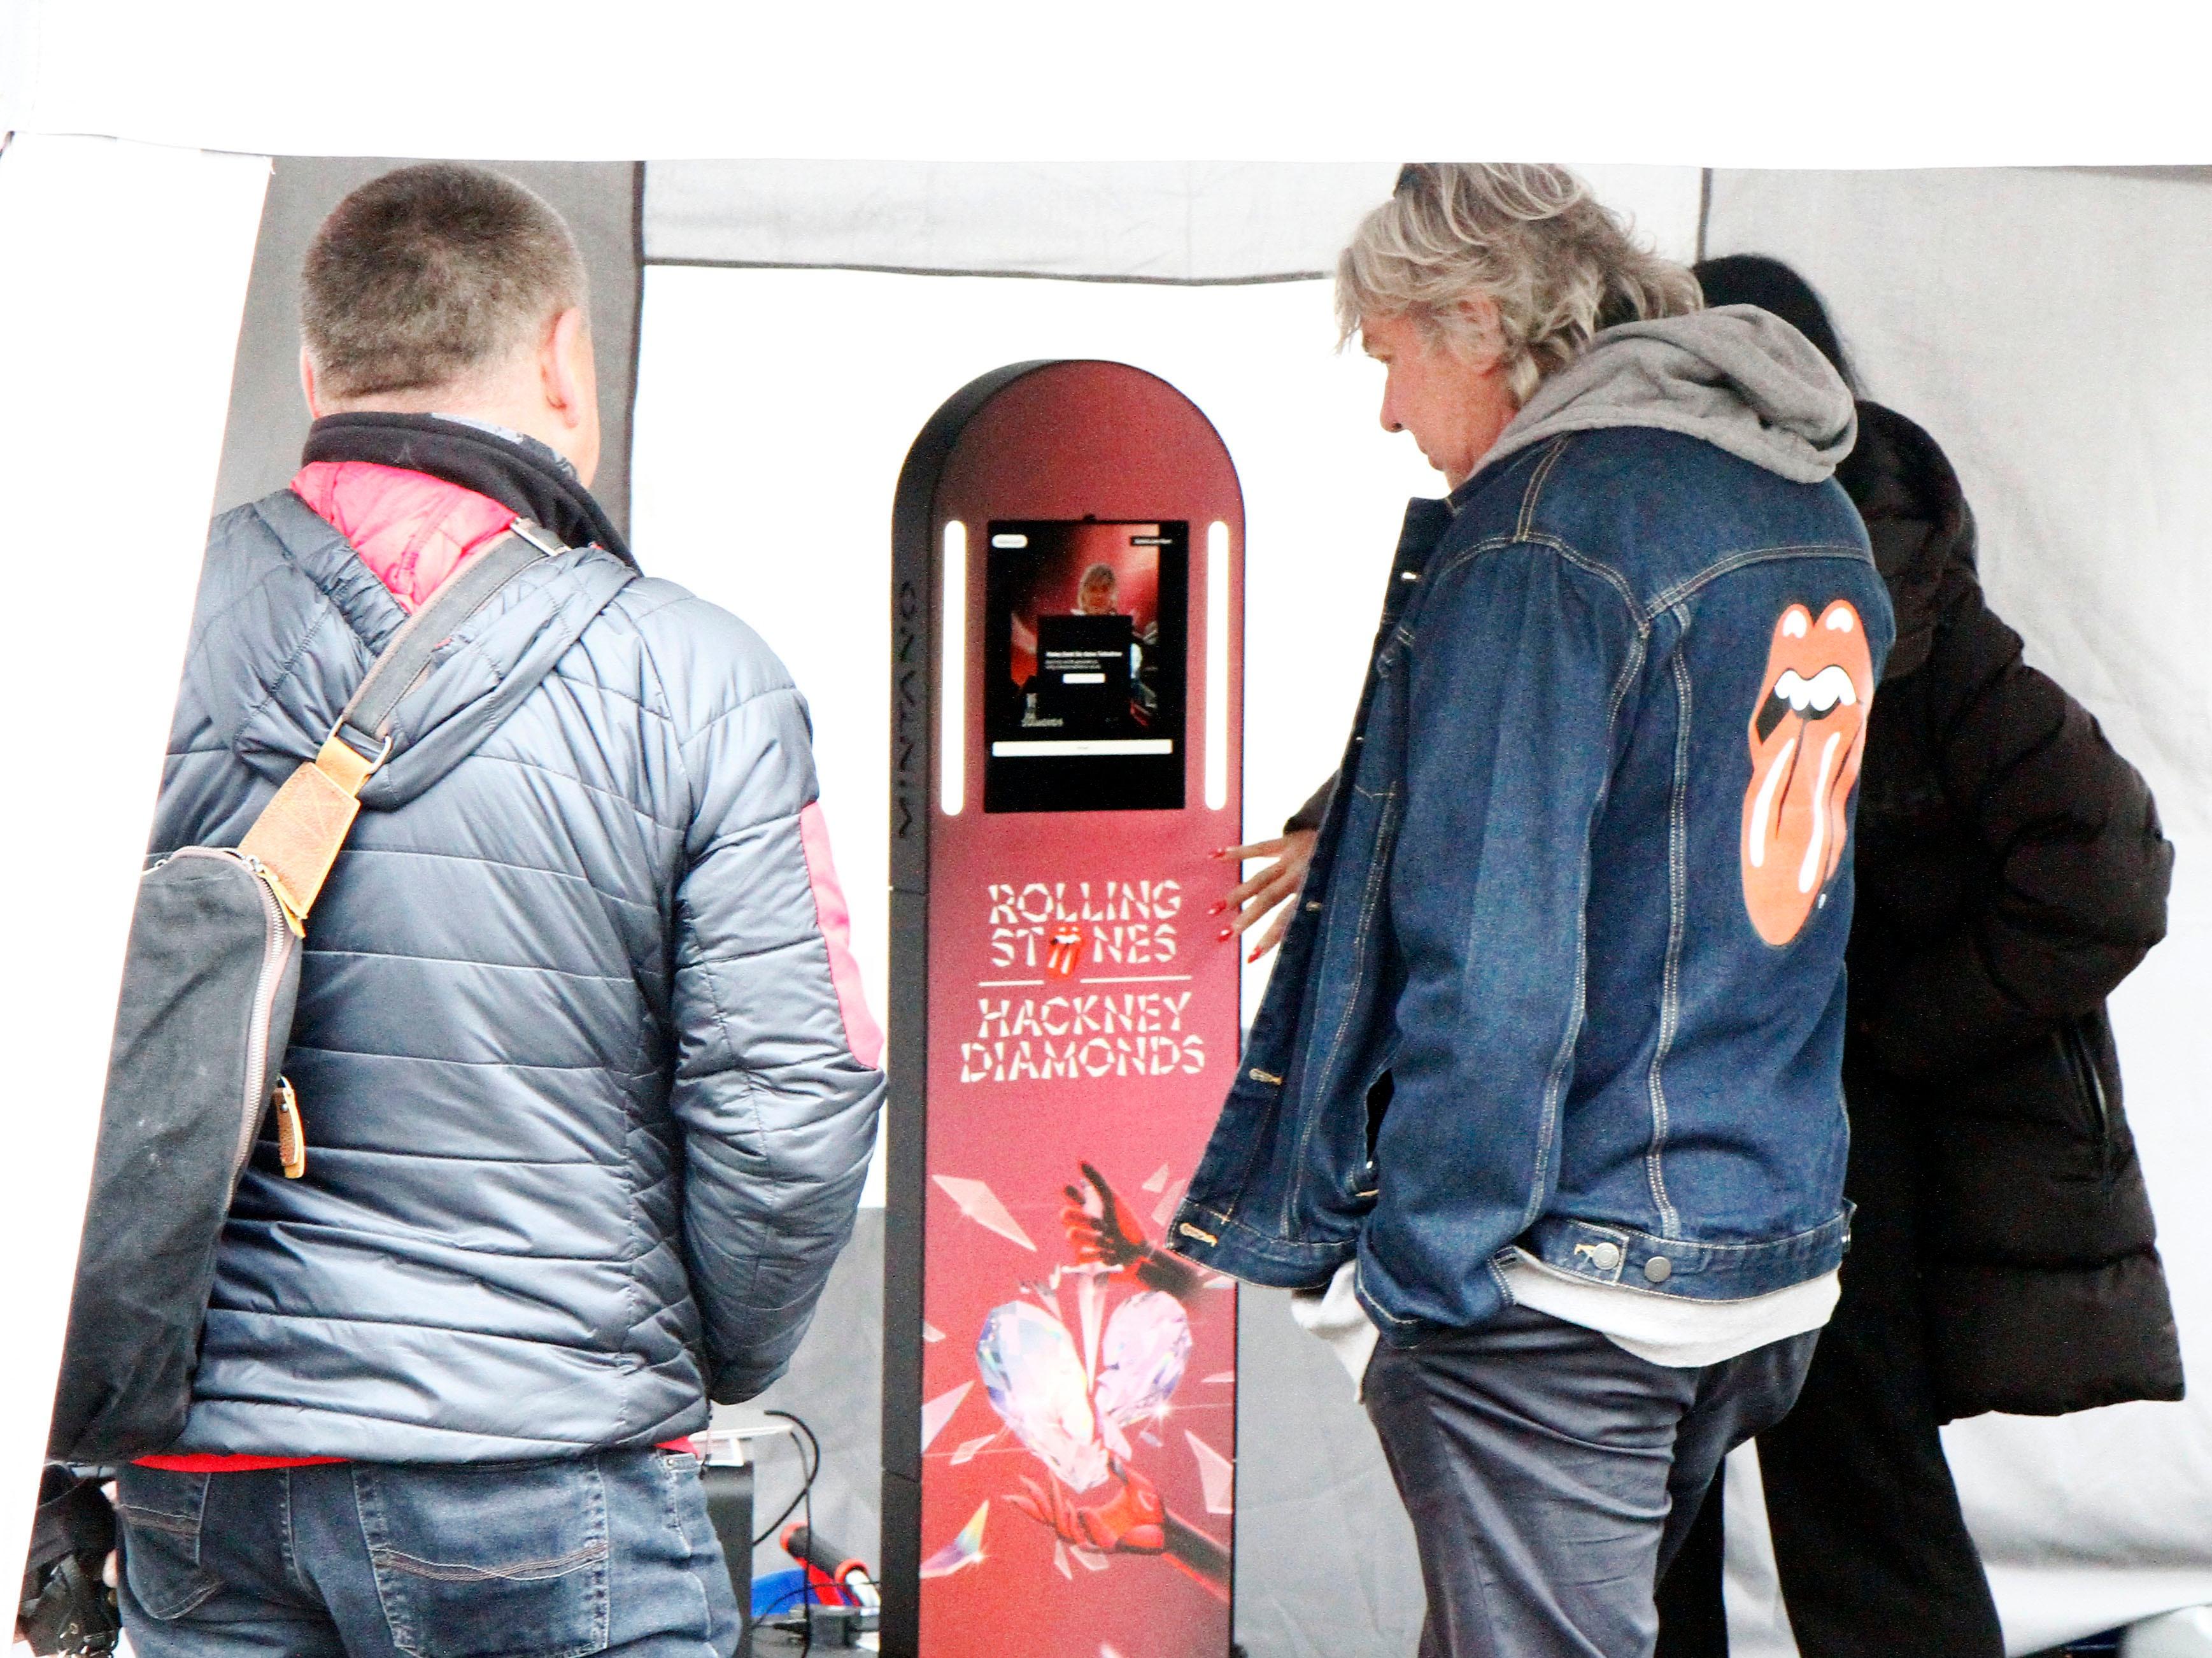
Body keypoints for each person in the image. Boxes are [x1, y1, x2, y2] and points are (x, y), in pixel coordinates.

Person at [108, 163, 886, 1657]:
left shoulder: (129, 630)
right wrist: (691, 1352)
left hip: (207, 1474)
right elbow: (793, 1104)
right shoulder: (702, 677)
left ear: (316, 370)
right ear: (564, 363)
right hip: (552, 1466)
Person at [1172, 162, 1893, 1658]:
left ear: (1481, 322)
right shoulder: (1804, 501)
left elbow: (1497, 969)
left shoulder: (1540, 534)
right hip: (1758, 1234)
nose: (1390, 414)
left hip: (1574, 1279)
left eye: (1392, 359)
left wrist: (1420, 1276)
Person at [1641, 256, 2180, 1658]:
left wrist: (1890, 1028)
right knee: (1634, 1516)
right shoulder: (1644, 571)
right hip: (1648, 1120)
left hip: (1830, 1139)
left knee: (1848, 1501)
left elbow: (2106, 874)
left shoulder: (1911, 614)